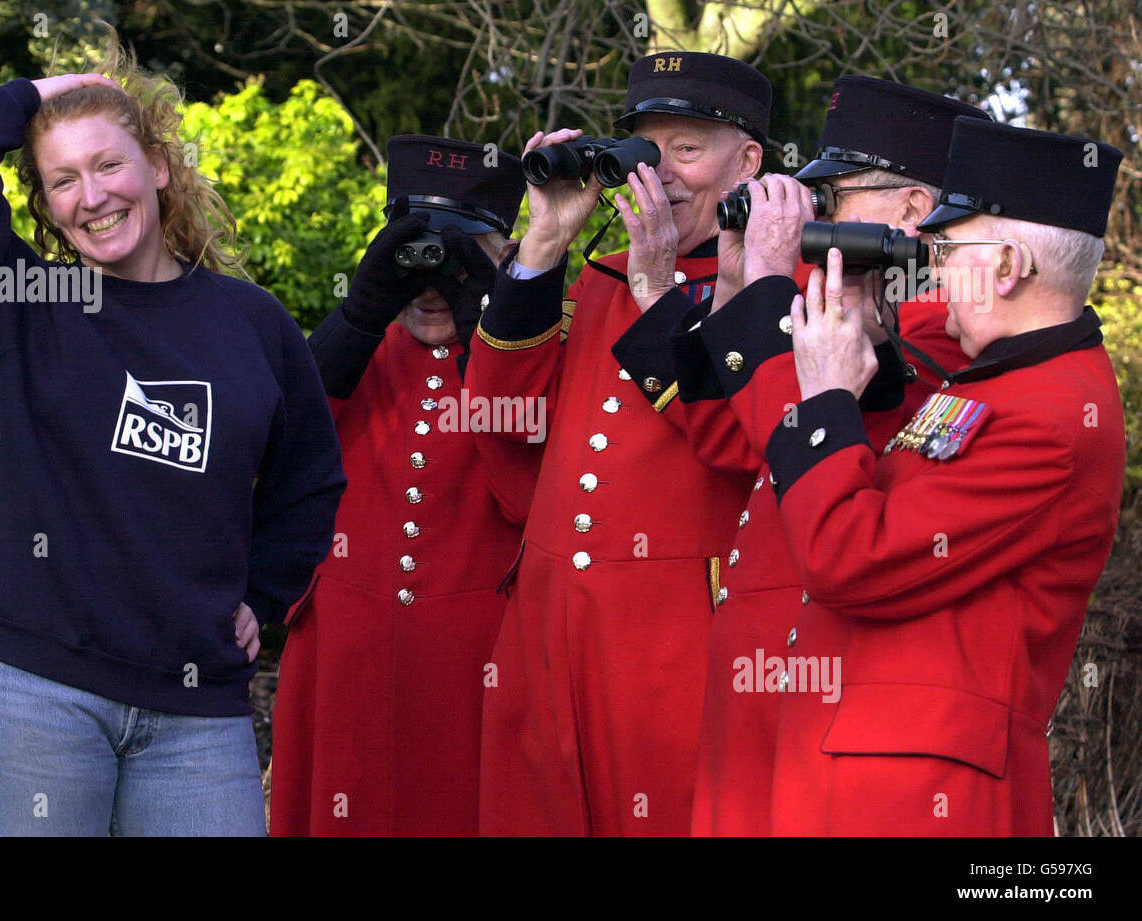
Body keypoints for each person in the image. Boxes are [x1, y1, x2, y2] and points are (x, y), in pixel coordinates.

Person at [0, 45, 345, 836]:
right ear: (46, 205)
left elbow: (309, 481)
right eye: (63, 180)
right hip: (34, 693)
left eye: (109, 164)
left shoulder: (252, 324)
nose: (92, 196)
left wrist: (262, 593)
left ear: (161, 168)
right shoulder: (27, 303)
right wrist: (35, 91)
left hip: (195, 710)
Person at [761, 116, 1124, 835]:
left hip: (917, 792)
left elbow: (848, 556)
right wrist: (869, 349)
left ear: (1007, 266)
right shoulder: (1004, 382)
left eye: (951, 247)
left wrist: (828, 395)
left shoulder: (1053, 418)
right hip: (864, 767)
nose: (931, 265)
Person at [465, 51, 774, 836]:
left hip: (670, 649)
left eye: (687, 149)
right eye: (644, 145)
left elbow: (746, 445)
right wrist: (542, 242)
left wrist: (660, 293)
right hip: (548, 633)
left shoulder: (777, 287)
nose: (657, 173)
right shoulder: (600, 273)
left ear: (748, 163)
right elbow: (503, 417)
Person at [670, 77, 988, 836]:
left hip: (817, 673)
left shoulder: (940, 337)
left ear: (914, 211)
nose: (815, 212)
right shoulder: (839, 305)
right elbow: (722, 436)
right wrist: (739, 284)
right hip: (754, 669)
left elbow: (792, 431)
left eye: (837, 193)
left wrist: (773, 286)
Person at [268, 135, 531, 836]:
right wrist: (356, 316)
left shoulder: (530, 363)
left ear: (505, 254)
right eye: (413, 249)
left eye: (460, 250)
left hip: (472, 672)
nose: (432, 277)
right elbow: (274, 465)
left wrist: (489, 323)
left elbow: (527, 492)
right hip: (341, 666)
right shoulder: (352, 355)